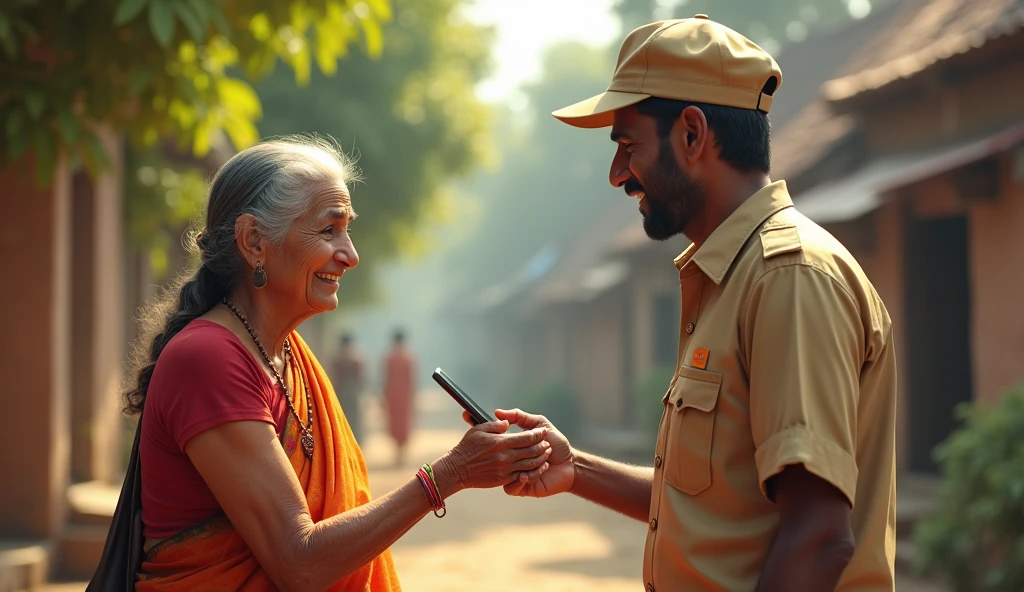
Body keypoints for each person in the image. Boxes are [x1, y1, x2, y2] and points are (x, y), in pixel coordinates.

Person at [483, 15, 898, 592]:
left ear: (693, 134)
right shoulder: (731, 277)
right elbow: (720, 510)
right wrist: (575, 467)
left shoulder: (788, 277)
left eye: (628, 145)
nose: (617, 173)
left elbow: (819, 537)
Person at [127, 135, 553, 591]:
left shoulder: (287, 353)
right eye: (328, 230)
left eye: (347, 229)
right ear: (254, 241)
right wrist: (450, 474)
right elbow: (300, 563)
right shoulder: (208, 359)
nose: (350, 255)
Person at [382, 329, 415, 467]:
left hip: (393, 394)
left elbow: (386, 379)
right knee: (403, 421)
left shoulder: (390, 358)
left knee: (395, 421)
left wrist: (384, 395)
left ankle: (398, 452)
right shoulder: (408, 358)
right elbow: (412, 379)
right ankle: (401, 453)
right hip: (404, 395)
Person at [331, 332, 367, 445]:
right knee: (354, 416)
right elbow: (360, 377)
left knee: (342, 415)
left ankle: (344, 441)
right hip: (353, 390)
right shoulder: (356, 357)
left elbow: (334, 376)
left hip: (341, 390)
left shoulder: (338, 357)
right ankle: (355, 441)